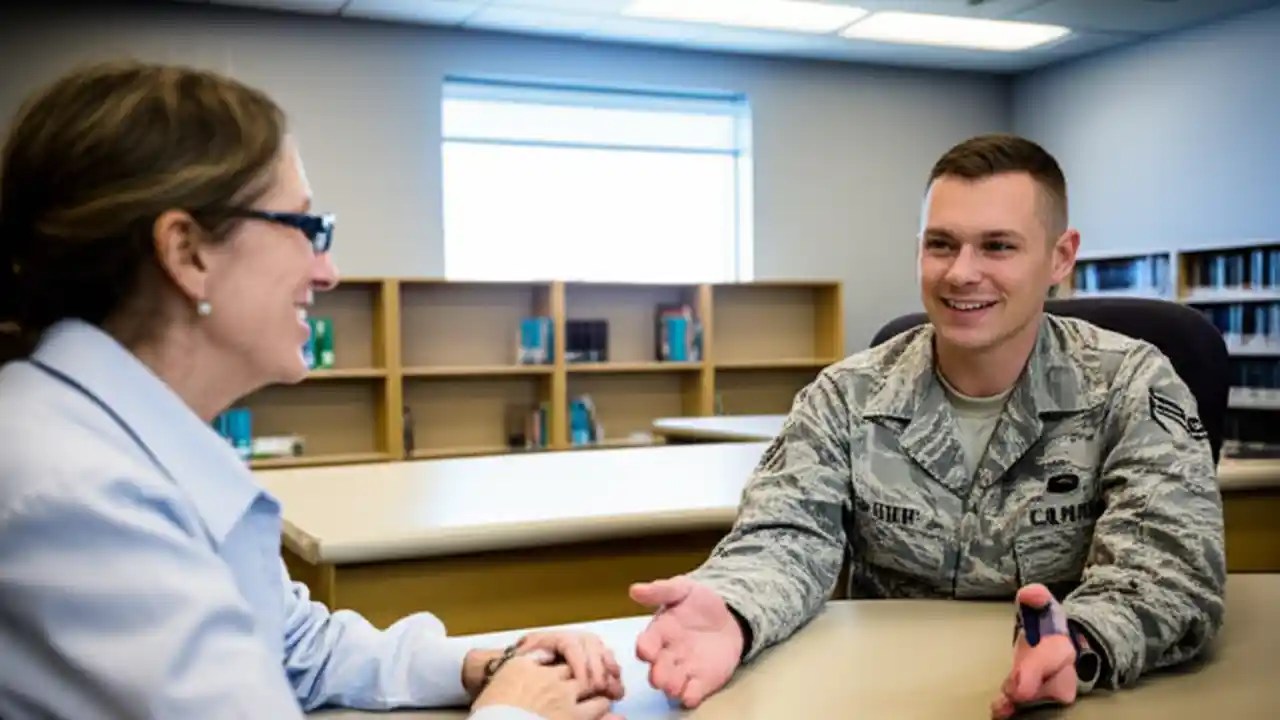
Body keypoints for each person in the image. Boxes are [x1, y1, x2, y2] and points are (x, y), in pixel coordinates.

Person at [0, 60, 624, 720]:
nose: (327, 271)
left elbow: (292, 646)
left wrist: (487, 664)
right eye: (305, 228)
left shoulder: (119, 437)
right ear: (188, 252)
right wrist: (514, 715)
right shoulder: (74, 493)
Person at [629, 133, 1226, 718]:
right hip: (880, 694)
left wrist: (1083, 640)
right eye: (942, 244)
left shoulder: (1132, 385)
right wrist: (733, 607)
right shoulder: (845, 395)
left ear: (1061, 257)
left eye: (997, 246)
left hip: (1062, 698)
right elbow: (785, 537)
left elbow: (1168, 568)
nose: (962, 273)